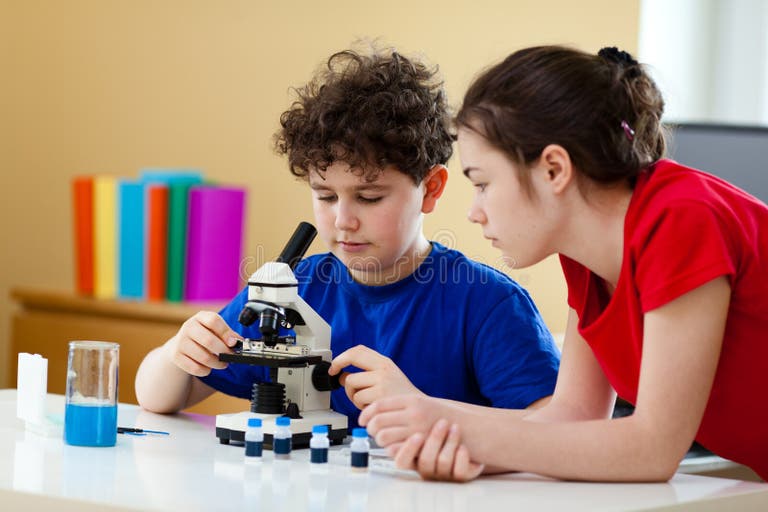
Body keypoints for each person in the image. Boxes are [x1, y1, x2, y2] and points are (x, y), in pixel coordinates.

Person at [359, 45, 768, 482]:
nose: (473, 212)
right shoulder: (585, 259)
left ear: (554, 169)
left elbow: (653, 449)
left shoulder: (682, 219)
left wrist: (471, 435)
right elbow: (572, 417)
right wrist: (443, 434)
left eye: (482, 184)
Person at [134, 47, 561, 429]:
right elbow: (156, 396)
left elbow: (550, 428)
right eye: (325, 195)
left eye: (369, 197)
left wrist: (424, 409)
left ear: (430, 189)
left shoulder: (485, 303)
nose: (343, 221)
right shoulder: (291, 289)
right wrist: (180, 351)